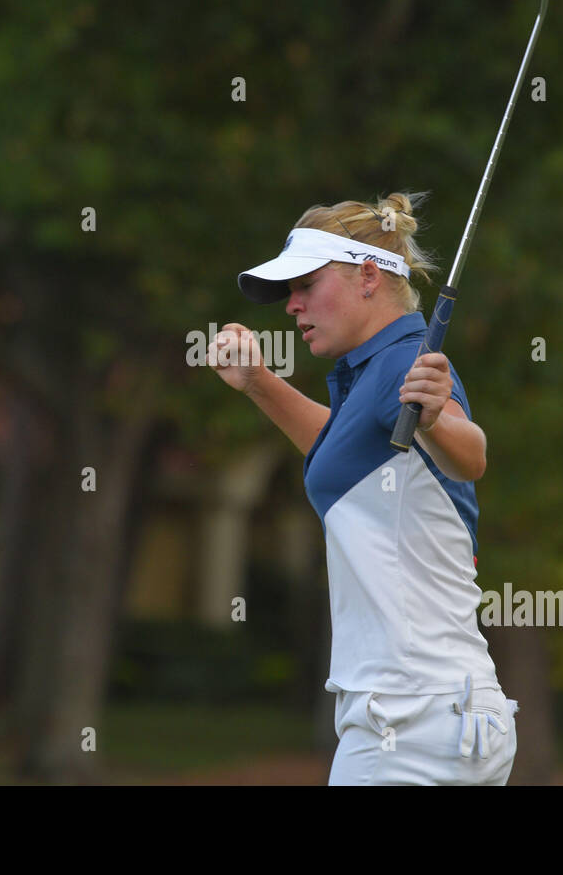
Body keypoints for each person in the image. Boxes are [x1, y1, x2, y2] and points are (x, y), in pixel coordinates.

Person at [207, 191, 517, 785]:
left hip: (407, 722)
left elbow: (469, 452)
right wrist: (257, 383)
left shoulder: (404, 366)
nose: (293, 307)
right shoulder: (370, 374)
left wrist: (435, 417)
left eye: (305, 285)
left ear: (369, 276)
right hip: (446, 712)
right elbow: (340, 455)